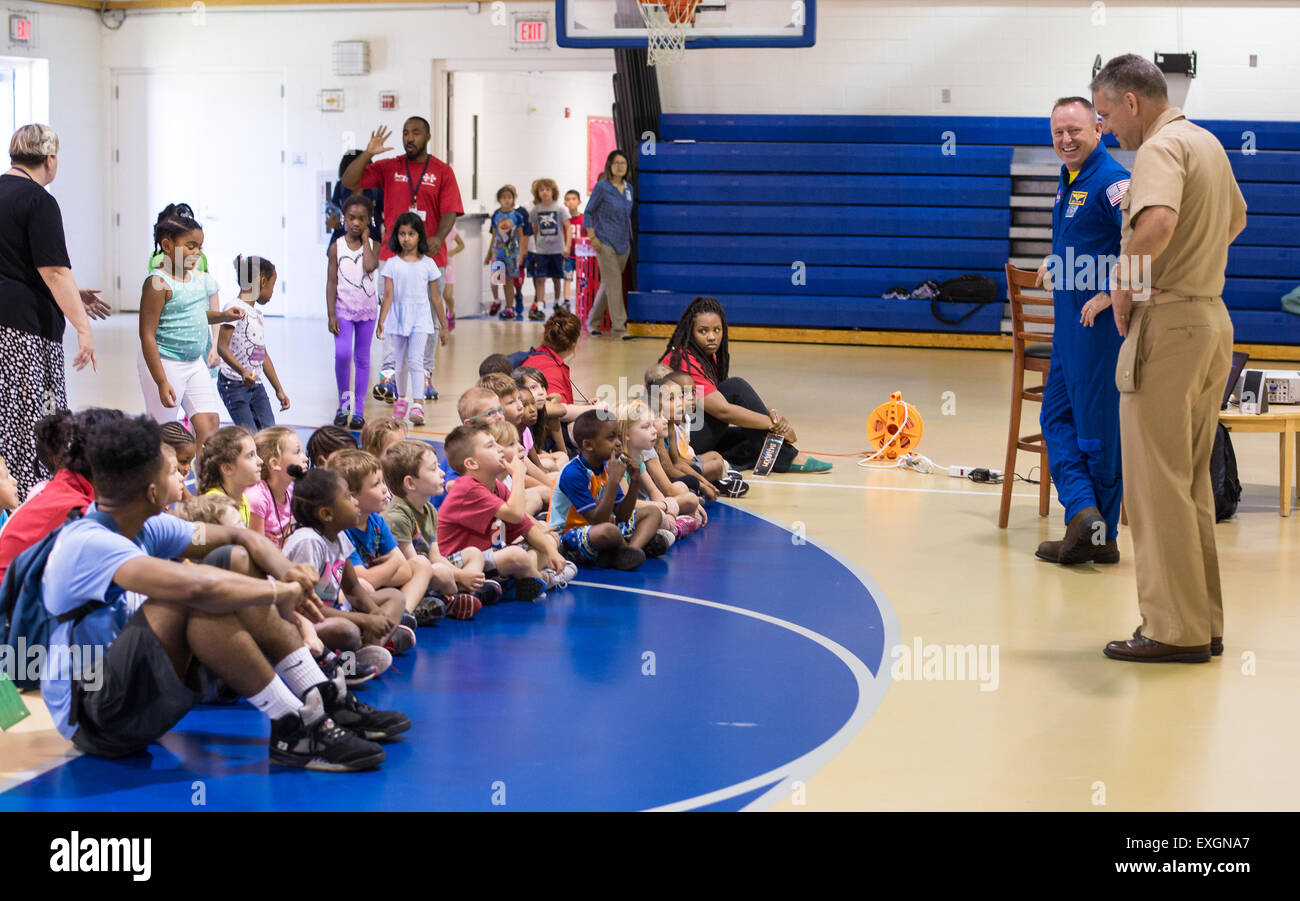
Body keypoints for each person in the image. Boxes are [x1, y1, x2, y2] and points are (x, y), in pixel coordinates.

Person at [36, 414, 406, 768]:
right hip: (94, 715)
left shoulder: (147, 526)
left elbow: (241, 536)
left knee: (233, 558)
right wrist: (278, 593)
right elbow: (196, 584)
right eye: (173, 471)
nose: (184, 476)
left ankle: (319, 699)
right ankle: (294, 721)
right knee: (198, 598)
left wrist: (287, 571)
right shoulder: (89, 543)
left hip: (135, 696)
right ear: (152, 491)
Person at [1089, 55, 1246, 664]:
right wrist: (1193, 262)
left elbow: (1154, 222)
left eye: (1105, 115)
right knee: (1190, 485)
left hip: (1170, 325)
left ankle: (1170, 630)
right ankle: (1200, 621)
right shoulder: (1206, 143)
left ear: (1133, 101)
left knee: (1155, 488)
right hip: (1211, 320)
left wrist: (1127, 285)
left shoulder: (1158, 148)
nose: (1105, 130)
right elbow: (1235, 218)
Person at [1032, 97, 1131, 566]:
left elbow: (1149, 240)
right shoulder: (1070, 177)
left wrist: (1113, 293)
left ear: (1097, 128)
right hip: (1068, 333)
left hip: (1100, 332)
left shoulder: (1112, 181)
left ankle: (1102, 535)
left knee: (1095, 434)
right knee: (1054, 419)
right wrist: (1058, 262)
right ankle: (1084, 515)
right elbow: (1086, 239)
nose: (1066, 140)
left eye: (1074, 130)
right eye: (1058, 133)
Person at [0, 124, 106, 497]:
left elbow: (13, 264)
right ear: (50, 159)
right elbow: (54, 271)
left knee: (5, 413)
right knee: (38, 416)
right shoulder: (38, 200)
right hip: (25, 333)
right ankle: (33, 495)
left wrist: (73, 295)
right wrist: (83, 328)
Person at [343, 119, 463, 403]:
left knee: (430, 317)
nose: (410, 138)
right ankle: (388, 378)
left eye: (416, 133)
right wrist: (368, 153)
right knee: (392, 315)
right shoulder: (390, 167)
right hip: (392, 256)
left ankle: (426, 376)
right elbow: (349, 181)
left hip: (430, 256)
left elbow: (450, 211)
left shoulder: (442, 171)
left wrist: (438, 237)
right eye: (406, 133)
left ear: (428, 136)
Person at [659, 296, 830, 473]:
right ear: (690, 332)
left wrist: (772, 417)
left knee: (749, 436)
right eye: (703, 331)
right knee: (735, 387)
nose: (711, 337)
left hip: (690, 430)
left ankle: (729, 462)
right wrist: (775, 425)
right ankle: (785, 458)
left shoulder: (708, 357)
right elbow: (723, 410)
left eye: (717, 330)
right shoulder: (685, 360)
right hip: (673, 441)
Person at [138, 209, 245, 466]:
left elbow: (197, 315)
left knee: (209, 424)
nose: (197, 253)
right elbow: (147, 335)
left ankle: (206, 486)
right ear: (166, 245)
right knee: (163, 434)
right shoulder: (157, 283)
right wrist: (161, 380)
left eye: (200, 247)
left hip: (193, 363)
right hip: (165, 363)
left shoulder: (196, 279)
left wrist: (222, 316)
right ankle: (161, 486)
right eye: (190, 246)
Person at [436, 423, 561, 600]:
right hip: (459, 563)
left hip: (489, 557)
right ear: (472, 463)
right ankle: (542, 579)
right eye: (491, 446)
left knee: (546, 539)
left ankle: (512, 583)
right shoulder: (467, 488)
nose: (500, 449)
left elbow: (525, 525)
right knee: (516, 556)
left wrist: (552, 552)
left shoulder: (497, 486)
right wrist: (518, 475)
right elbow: (516, 514)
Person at [380, 439, 498, 619]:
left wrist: (461, 574)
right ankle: (451, 596)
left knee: (474, 553)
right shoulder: (397, 517)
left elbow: (435, 554)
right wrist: (459, 575)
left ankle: (458, 593)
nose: (442, 473)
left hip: (430, 567)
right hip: (408, 577)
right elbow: (412, 564)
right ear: (410, 483)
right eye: (433, 469)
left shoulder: (429, 510)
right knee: (439, 571)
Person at [548, 410, 670, 570]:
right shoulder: (574, 473)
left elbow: (622, 514)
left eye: (618, 436)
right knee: (609, 531)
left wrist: (634, 481)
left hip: (601, 525)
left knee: (652, 512)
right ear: (588, 445)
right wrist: (613, 481)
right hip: (568, 536)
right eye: (611, 438)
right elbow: (597, 521)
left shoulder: (606, 466)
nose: (619, 443)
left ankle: (628, 552)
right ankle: (626, 548)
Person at [376, 212, 447, 427]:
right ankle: (401, 400)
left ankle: (418, 404)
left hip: (420, 319)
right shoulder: (391, 264)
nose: (405, 238)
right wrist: (382, 320)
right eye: (401, 234)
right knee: (400, 363)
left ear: (420, 236)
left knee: (416, 360)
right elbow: (388, 295)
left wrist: (443, 326)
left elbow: (435, 296)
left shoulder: (428, 264)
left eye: (411, 234)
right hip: (398, 318)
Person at [218, 255, 288, 433]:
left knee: (269, 433)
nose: (273, 292)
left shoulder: (257, 314)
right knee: (249, 436)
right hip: (233, 385)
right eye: (272, 286)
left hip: (256, 385)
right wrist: (242, 372)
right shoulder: (234, 307)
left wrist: (278, 389)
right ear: (262, 281)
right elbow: (222, 347)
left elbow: (262, 355)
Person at [327, 194, 379, 430]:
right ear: (343, 219)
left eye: (361, 219)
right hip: (343, 310)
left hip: (367, 311)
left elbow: (369, 266)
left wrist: (367, 241)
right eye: (351, 218)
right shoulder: (336, 247)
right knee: (343, 354)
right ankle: (343, 403)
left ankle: (359, 409)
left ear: (368, 220)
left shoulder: (373, 245)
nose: (356, 223)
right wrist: (331, 313)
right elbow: (331, 281)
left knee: (362, 359)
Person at [584, 150, 635, 338]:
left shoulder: (629, 188)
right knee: (615, 283)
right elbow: (588, 212)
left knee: (609, 285)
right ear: (610, 166)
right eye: (616, 163)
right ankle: (620, 328)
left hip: (623, 242)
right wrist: (592, 237)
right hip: (604, 242)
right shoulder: (602, 187)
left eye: (623, 163)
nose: (620, 166)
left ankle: (592, 322)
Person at [247, 426, 308, 548]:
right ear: (275, 463)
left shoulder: (290, 494)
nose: (305, 458)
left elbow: (287, 542)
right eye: (297, 452)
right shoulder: (257, 499)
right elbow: (256, 549)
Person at [485, 185, 532, 320]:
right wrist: (489, 253)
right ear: (499, 200)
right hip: (498, 251)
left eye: (509, 197)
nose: (506, 200)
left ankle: (509, 308)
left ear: (513, 199)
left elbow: (521, 235)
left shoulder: (517, 215)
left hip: (512, 253)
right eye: (503, 198)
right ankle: (497, 300)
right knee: (496, 279)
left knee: (509, 281)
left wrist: (522, 253)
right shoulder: (496, 215)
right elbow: (494, 235)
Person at [526, 178, 571, 321]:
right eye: (541, 190)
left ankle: (557, 303)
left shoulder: (559, 208)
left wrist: (567, 246)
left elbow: (567, 227)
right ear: (537, 193)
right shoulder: (536, 210)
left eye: (547, 189)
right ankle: (539, 306)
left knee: (557, 277)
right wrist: (537, 245)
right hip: (541, 251)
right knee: (540, 278)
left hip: (557, 250)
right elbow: (535, 228)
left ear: (553, 191)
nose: (544, 192)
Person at [199, 426, 261, 528]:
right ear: (227, 468)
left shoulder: (243, 499)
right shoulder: (211, 506)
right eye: (250, 455)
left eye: (256, 454)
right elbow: (198, 541)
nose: (260, 461)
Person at [562, 188, 583, 307]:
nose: (571, 202)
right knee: (567, 277)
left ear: (579, 202)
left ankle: (581, 299)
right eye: (568, 200)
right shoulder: (565, 221)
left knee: (581, 279)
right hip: (569, 255)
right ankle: (566, 300)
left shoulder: (584, 219)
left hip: (581, 256)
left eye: (574, 199)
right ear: (565, 203)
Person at [441, 226, 466, 331]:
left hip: (448, 265)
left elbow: (461, 245)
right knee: (435, 295)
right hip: (435, 263)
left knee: (447, 295)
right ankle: (437, 323)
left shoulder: (450, 229)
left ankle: (451, 313)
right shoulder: (431, 226)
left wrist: (451, 253)